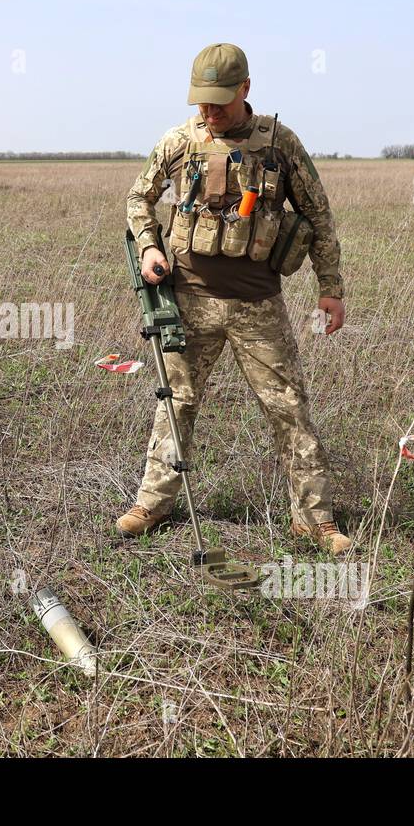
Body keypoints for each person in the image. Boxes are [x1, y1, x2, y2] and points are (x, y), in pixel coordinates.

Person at [118, 42, 352, 556]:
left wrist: (329, 289)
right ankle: (152, 505)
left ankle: (314, 520)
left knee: (288, 409)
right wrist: (150, 248)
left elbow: (319, 217)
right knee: (174, 403)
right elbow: (139, 198)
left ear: (246, 89)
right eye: (201, 101)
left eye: (219, 101)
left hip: (257, 307)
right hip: (189, 300)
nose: (208, 111)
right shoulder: (178, 141)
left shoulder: (280, 144)